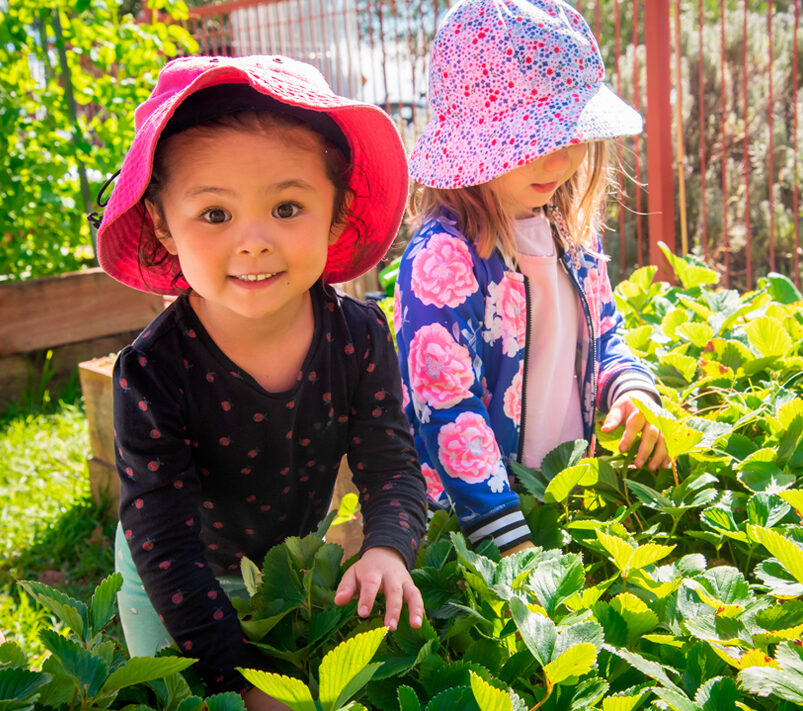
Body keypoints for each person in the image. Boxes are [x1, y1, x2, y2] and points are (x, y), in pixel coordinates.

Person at [94, 55, 427, 703]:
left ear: (336, 213)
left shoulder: (358, 337)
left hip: (284, 564)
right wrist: (234, 679)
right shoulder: (154, 371)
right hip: (168, 574)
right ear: (163, 223)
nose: (253, 241)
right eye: (215, 214)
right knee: (189, 698)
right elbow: (164, 538)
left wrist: (388, 545)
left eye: (287, 206)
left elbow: (391, 464)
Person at [395, 0, 668, 557]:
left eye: (572, 133)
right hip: (477, 532)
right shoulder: (444, 259)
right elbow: (448, 410)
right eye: (534, 139)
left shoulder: (570, 234)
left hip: (560, 498)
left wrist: (631, 389)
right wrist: (506, 535)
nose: (561, 158)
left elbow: (604, 333)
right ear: (474, 139)